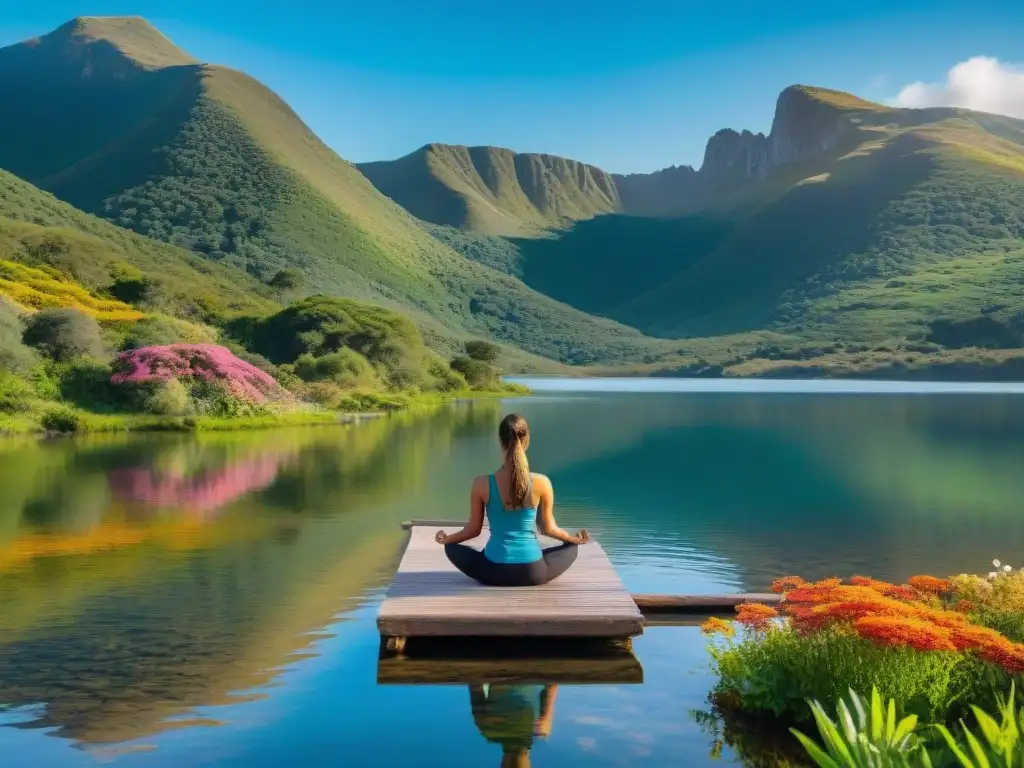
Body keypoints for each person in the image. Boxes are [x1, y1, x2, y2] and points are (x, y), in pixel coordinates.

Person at [435, 413, 589, 587]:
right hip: (532, 572)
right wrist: (574, 539)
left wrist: (447, 539)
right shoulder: (542, 482)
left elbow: (473, 530)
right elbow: (549, 529)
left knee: (452, 547)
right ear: (527, 440)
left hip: (493, 572)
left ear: (501, 442)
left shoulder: (481, 483)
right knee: (571, 548)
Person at [469, 683, 559, 768]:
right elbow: (552, 684)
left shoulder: (488, 728)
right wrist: (546, 714)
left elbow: (475, 684)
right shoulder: (540, 730)